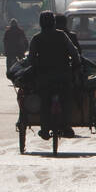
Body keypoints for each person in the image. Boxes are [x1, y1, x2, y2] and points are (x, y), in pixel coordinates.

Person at [28, 10, 81, 140]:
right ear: (53, 22)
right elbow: (74, 53)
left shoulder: (37, 38)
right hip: (63, 77)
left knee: (44, 101)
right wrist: (76, 65)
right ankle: (67, 127)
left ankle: (45, 129)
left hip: (44, 78)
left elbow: (30, 60)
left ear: (41, 23)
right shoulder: (62, 36)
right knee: (66, 99)